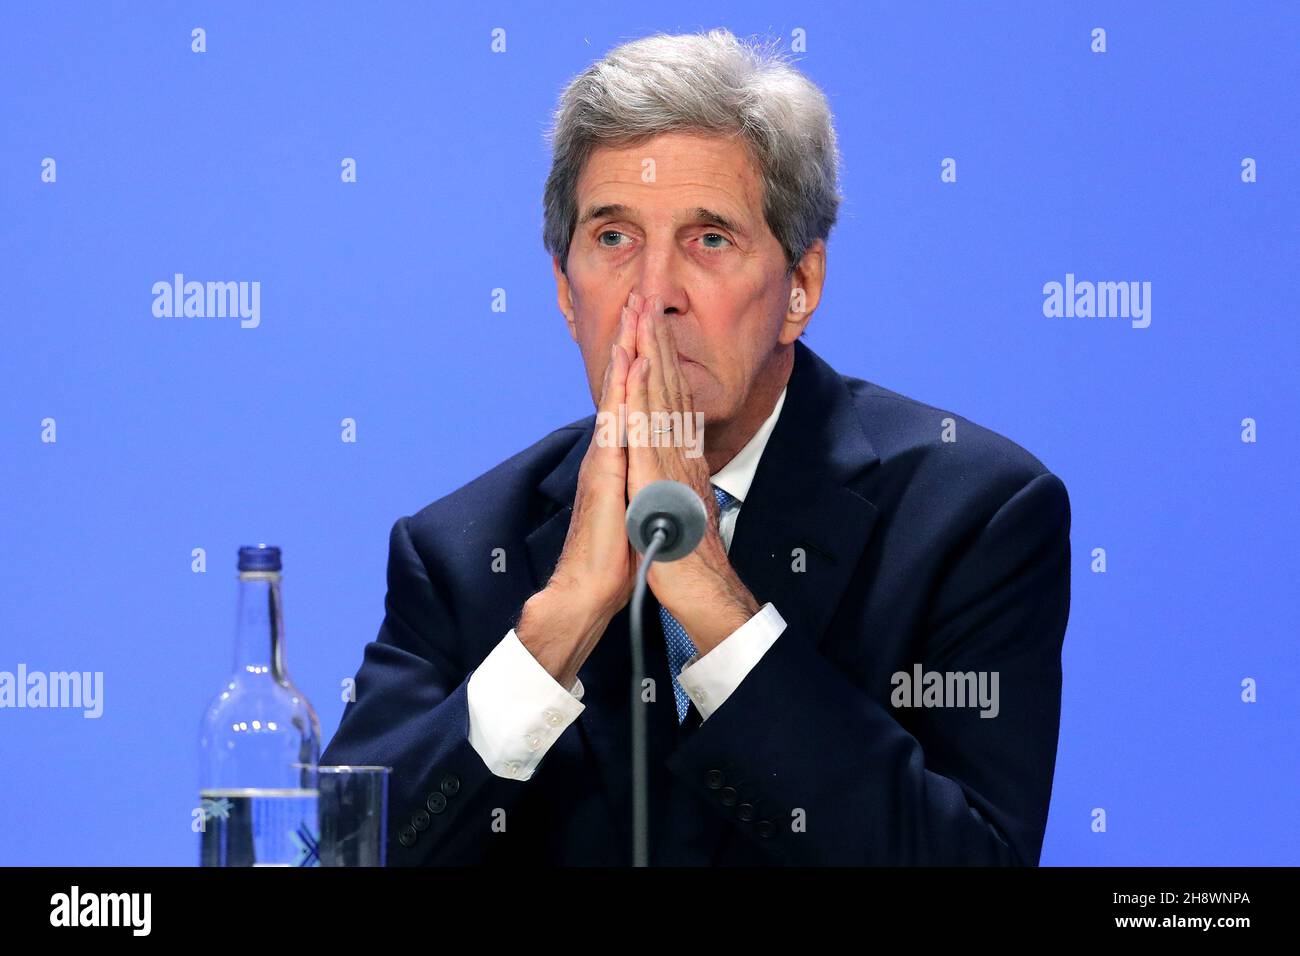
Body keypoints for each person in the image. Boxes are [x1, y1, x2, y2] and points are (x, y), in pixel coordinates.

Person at [320, 28, 1071, 866]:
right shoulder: (460, 550)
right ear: (566, 295)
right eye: (614, 239)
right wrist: (558, 627)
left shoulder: (973, 514)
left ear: (801, 287)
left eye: (709, 239)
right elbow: (349, 854)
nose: (654, 294)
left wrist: (716, 608)